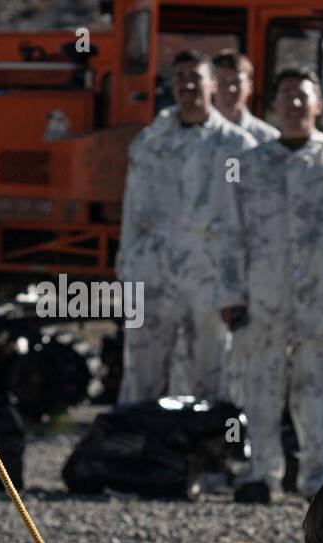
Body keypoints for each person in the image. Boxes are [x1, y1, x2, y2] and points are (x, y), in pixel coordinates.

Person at [219, 68, 323, 504]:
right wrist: (229, 293)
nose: (293, 104)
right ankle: (261, 473)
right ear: (272, 105)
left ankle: (321, 478)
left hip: (320, 299)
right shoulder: (251, 165)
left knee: (317, 393)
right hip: (262, 299)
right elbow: (231, 232)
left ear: (318, 104)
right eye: (285, 95)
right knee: (262, 390)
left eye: (302, 96)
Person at [117, 50, 256, 403]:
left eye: (195, 77)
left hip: (210, 277)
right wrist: (127, 270)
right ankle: (138, 452)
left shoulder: (237, 147)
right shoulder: (151, 143)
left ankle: (208, 454)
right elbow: (133, 212)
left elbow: (249, 219)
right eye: (179, 78)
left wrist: (240, 284)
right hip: (154, 274)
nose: (187, 85)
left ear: (213, 84)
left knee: (211, 377)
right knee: (142, 374)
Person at [211, 50, 279, 143]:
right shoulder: (195, 134)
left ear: (250, 87)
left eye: (237, 82)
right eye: (223, 82)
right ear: (211, 85)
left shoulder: (268, 138)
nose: (231, 89)